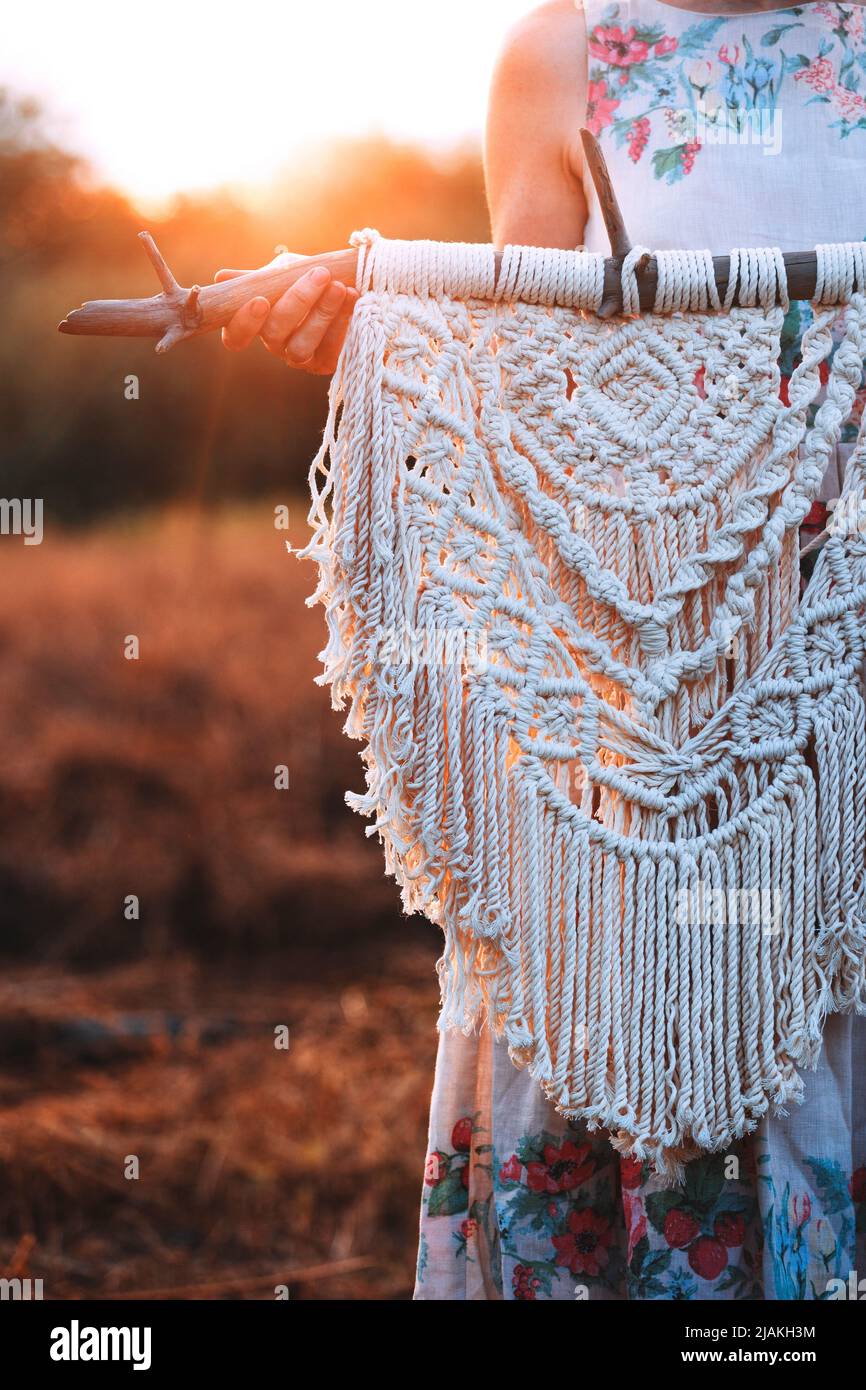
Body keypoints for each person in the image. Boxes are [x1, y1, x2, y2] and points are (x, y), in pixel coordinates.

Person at [220, 0, 866, 1300]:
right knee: (663, 1022)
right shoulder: (563, 53)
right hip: (656, 711)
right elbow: (535, 382)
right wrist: (384, 335)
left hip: (841, 710)